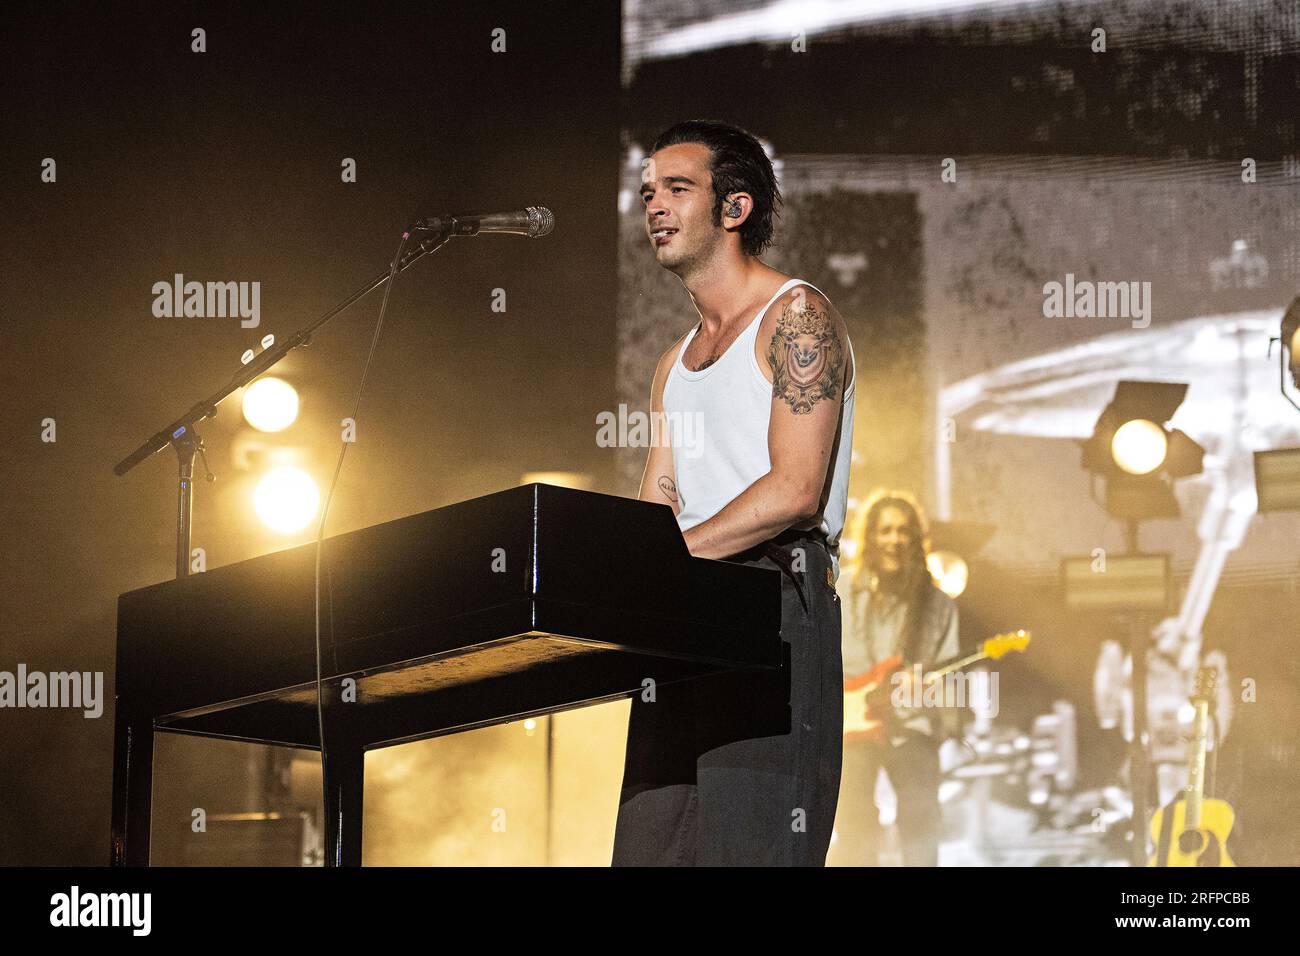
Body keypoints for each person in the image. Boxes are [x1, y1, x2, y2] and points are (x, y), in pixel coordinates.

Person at [611, 119, 856, 866]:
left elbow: (795, 490)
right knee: (651, 849)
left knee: (751, 849)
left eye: (678, 188)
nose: (654, 204)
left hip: (773, 602)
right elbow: (658, 500)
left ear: (735, 207)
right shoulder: (672, 363)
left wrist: (668, 562)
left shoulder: (798, 316)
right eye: (649, 190)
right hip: (682, 620)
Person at [832, 490, 959, 866]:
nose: (894, 540)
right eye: (885, 530)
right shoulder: (842, 588)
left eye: (903, 531)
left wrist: (926, 690)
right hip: (851, 725)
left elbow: (948, 679)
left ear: (916, 539)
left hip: (909, 726)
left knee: (920, 815)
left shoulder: (936, 603)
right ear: (869, 536)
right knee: (854, 821)